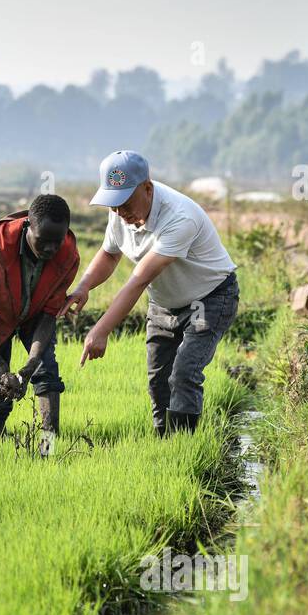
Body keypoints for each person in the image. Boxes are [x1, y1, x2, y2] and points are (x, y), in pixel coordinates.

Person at [68, 151, 238, 436]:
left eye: (125, 203)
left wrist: (101, 330)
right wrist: (84, 286)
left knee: (184, 374)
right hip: (163, 303)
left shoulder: (179, 216)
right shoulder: (120, 214)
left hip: (207, 299)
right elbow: (109, 255)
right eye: (113, 205)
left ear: (148, 188)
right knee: (158, 379)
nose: (120, 212)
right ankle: (164, 443)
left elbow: (138, 280)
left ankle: (183, 447)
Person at [0, 194, 79, 439]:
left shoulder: (67, 256)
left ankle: (48, 448)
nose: (51, 249)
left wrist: (31, 364)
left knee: (47, 371)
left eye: (57, 241)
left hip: (35, 313)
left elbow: (48, 314)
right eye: (44, 241)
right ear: (28, 227)